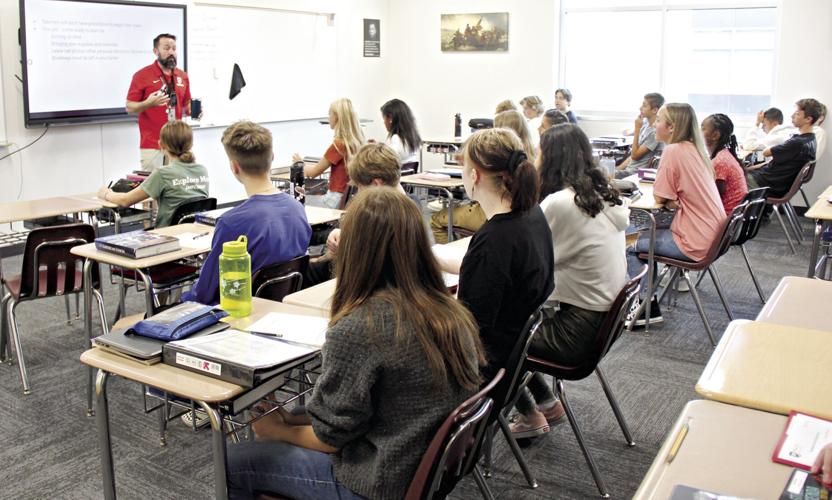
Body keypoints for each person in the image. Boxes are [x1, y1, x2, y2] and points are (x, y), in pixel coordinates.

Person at [226, 187, 486, 500]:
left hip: (379, 479)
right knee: (296, 414)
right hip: (417, 463)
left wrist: (277, 431)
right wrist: (291, 420)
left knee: (231, 464)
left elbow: (330, 440)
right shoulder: (451, 311)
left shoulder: (362, 329)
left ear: (354, 250)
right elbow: (355, 411)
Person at [509, 123, 629, 438]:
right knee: (514, 320)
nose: (535, 160)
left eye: (539, 153)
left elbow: (522, 262)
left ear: (551, 158)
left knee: (488, 334)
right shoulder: (602, 196)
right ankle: (547, 403)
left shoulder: (561, 203)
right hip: (600, 325)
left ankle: (530, 416)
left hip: (576, 332)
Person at [435, 128, 554, 378]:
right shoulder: (531, 214)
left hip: (485, 366)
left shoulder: (494, 239)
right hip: (515, 352)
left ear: (474, 176)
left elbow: (469, 327)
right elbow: (493, 272)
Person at [181, 121, 311, 305]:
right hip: (279, 309)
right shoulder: (297, 208)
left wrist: (182, 298)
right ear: (272, 157)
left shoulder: (231, 223)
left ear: (234, 167)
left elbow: (204, 294)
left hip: (235, 314)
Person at [626, 103, 726, 326]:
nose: (654, 125)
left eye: (658, 121)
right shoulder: (694, 149)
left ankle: (644, 306)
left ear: (671, 127)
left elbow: (660, 197)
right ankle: (648, 301)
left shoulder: (673, 151)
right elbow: (670, 198)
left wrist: (670, 200)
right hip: (713, 235)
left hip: (695, 241)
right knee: (645, 229)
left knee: (629, 242)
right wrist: (672, 200)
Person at [304, 143, 413, 287]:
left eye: (360, 187)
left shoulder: (376, 215)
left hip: (363, 283)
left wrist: (326, 256)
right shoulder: (412, 207)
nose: (358, 193)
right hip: (388, 283)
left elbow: (351, 265)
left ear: (376, 184)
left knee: (302, 274)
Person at [429, 109, 538, 243]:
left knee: (437, 219)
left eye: (464, 166)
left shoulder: (489, 240)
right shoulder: (535, 214)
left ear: (474, 175)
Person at [97, 120, 208, 228]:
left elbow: (125, 201)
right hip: (195, 232)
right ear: (191, 144)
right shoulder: (202, 170)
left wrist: (106, 193)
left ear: (161, 144)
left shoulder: (162, 174)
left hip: (167, 235)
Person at [126, 33, 193, 172]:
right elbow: (129, 107)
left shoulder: (182, 76)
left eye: (174, 49)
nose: (171, 52)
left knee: (179, 183)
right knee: (153, 184)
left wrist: (194, 109)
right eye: (166, 48)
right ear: (156, 51)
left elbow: (186, 104)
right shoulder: (142, 75)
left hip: (178, 144)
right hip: (153, 145)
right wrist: (148, 103)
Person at [293, 98, 365, 209]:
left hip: (334, 200)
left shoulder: (338, 145)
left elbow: (312, 173)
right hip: (347, 199)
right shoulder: (357, 142)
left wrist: (300, 163)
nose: (328, 118)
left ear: (337, 117)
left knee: (296, 201)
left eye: (329, 114)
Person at [746, 99, 822, 198]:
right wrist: (748, 169)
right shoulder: (811, 139)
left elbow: (765, 152)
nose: (792, 116)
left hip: (766, 184)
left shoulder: (797, 143)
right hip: (772, 182)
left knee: (731, 180)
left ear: (808, 119)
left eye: (797, 114)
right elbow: (772, 161)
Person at [701, 113, 748, 215]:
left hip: (723, 217)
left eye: (703, 129)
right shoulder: (724, 155)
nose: (698, 132)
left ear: (715, 135)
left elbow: (712, 198)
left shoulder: (720, 161)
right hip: (733, 216)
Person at [616, 93, 665, 179]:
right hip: (629, 170)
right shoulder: (645, 124)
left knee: (600, 176)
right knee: (603, 172)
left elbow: (635, 156)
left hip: (636, 174)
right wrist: (617, 169)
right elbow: (631, 157)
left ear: (654, 110)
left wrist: (637, 129)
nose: (640, 108)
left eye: (644, 106)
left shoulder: (654, 133)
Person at [380, 98, 421, 168]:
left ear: (390, 119)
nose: (384, 122)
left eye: (384, 118)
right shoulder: (412, 138)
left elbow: (386, 161)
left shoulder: (396, 139)